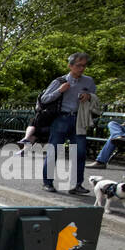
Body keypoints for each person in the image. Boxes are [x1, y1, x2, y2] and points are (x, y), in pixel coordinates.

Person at [37, 52, 97, 194]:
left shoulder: (88, 81)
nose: (81, 68)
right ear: (70, 66)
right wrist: (59, 90)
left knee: (80, 152)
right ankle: (48, 182)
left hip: (79, 119)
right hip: (61, 119)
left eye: (84, 66)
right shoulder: (60, 81)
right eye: (78, 65)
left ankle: (76, 184)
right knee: (54, 151)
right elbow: (44, 99)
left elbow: (94, 97)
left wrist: (89, 96)